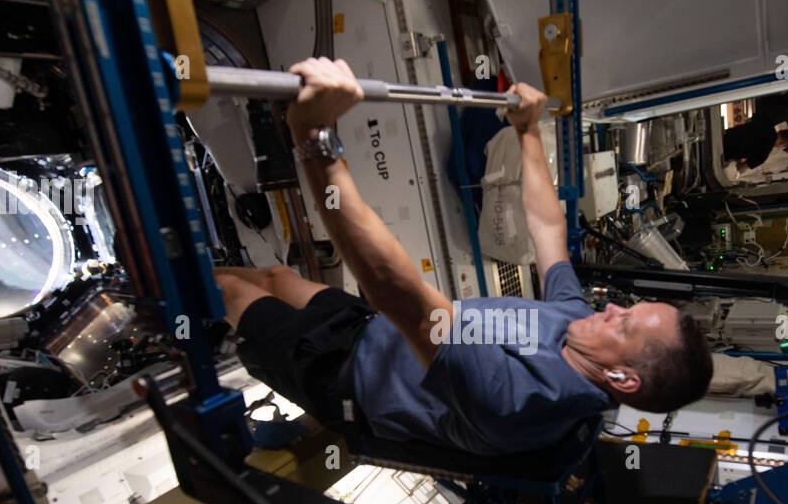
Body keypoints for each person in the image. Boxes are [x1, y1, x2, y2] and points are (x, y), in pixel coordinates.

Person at [216, 57, 713, 456]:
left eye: (623, 325)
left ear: (621, 377)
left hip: (344, 377)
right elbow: (546, 229)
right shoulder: (578, 328)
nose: (609, 310)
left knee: (229, 291)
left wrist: (313, 137)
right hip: (372, 332)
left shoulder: (519, 399)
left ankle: (162, 296)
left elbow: (395, 288)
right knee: (277, 275)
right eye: (625, 310)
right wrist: (527, 131)